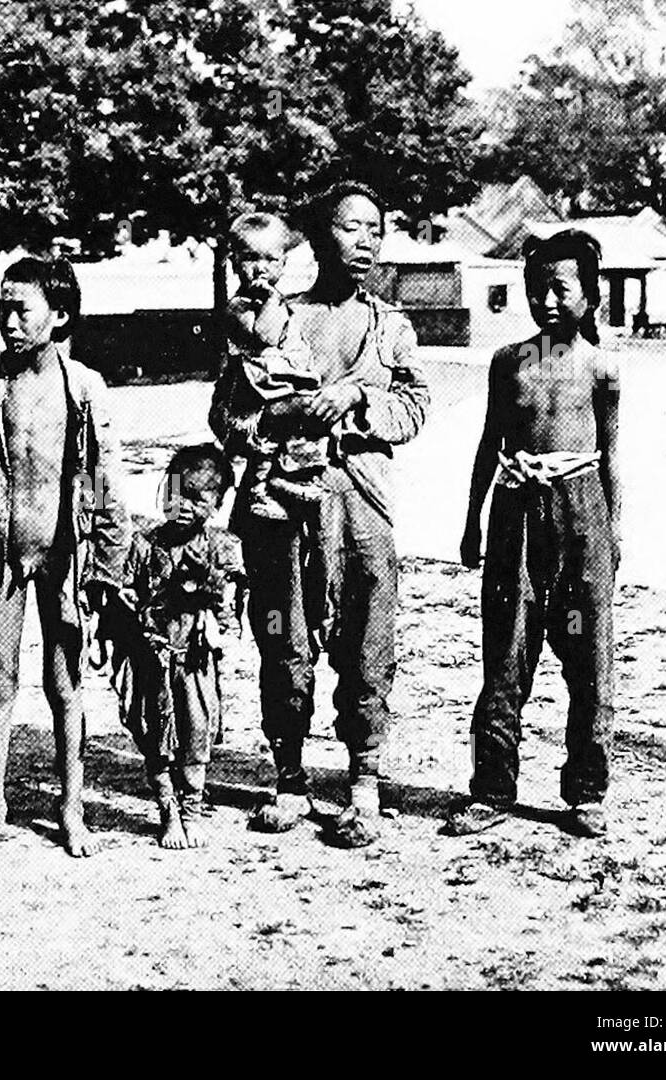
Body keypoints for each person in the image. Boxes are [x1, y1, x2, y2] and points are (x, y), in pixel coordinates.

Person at [209, 181, 430, 848]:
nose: (361, 242)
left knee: (367, 641)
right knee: (285, 640)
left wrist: (357, 406)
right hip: (282, 504)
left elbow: (415, 406)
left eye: (374, 230)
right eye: (347, 227)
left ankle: (363, 785)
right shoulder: (276, 319)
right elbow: (226, 413)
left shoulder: (391, 326)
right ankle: (290, 780)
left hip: (361, 500)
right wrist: (285, 412)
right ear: (318, 235)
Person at [449, 229, 620, 840]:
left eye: (560, 288)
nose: (545, 300)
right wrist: (472, 522)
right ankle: (492, 787)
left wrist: (612, 536)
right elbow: (488, 444)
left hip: (580, 520)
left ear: (590, 295)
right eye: (534, 288)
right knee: (506, 649)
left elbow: (611, 457)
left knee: (586, 653)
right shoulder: (507, 362)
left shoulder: (603, 367)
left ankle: (586, 791)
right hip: (515, 514)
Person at [0, 256, 129, 858]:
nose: (9, 320)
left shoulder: (82, 386)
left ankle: (71, 808)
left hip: (65, 555)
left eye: (21, 309)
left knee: (65, 683)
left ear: (59, 316)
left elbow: (106, 479)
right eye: (2, 308)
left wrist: (109, 564)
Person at [101, 445, 243, 849]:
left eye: (199, 498)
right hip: (152, 659)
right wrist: (124, 600)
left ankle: (193, 807)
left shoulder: (220, 548)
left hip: (195, 662)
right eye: (178, 492)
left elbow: (229, 603)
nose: (184, 505)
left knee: (196, 732)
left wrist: (217, 593)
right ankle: (167, 809)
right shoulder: (144, 545)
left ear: (217, 504)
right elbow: (123, 590)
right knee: (154, 732)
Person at [226, 212, 328, 513]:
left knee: (300, 425)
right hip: (252, 392)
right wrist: (271, 300)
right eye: (249, 258)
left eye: (271, 260)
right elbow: (266, 336)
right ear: (233, 262)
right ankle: (260, 489)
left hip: (275, 382)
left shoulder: (282, 302)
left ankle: (289, 477)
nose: (261, 268)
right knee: (267, 437)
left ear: (284, 264)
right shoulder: (239, 306)